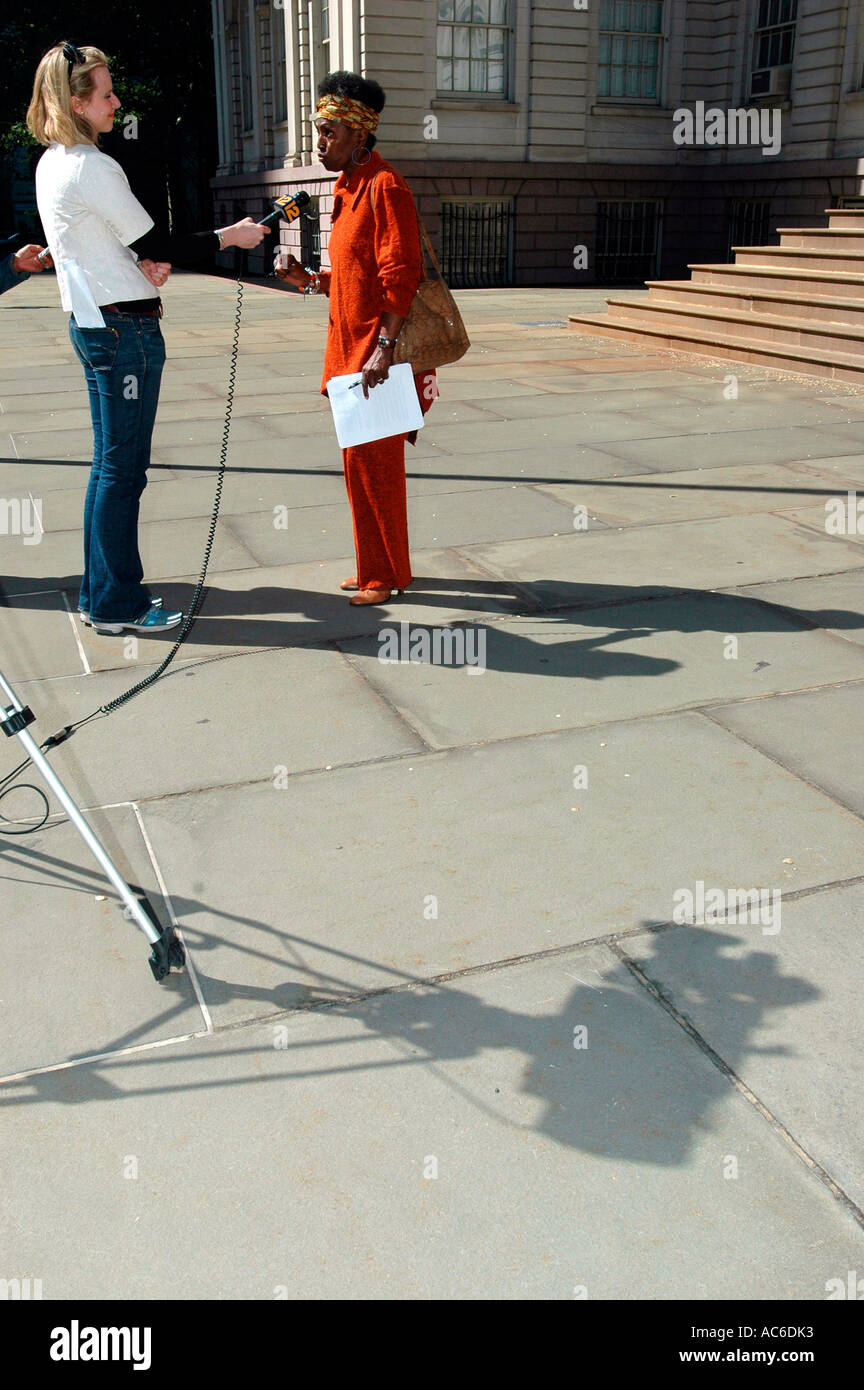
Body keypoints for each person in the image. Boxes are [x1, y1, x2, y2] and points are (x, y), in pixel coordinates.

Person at [26, 42, 270, 635]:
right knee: (122, 472)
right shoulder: (92, 166)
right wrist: (229, 236)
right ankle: (117, 605)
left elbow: (97, 245)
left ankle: (101, 595)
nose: (116, 102)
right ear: (77, 101)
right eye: (105, 93)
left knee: (110, 467)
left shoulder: (54, 163)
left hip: (97, 322)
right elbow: (159, 239)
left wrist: (141, 265)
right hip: (123, 331)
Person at [275, 71, 436, 606]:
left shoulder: (385, 186)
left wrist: (383, 351)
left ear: (360, 135)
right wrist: (310, 280)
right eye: (318, 132)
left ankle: (385, 577)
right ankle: (373, 565)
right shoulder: (346, 187)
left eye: (329, 133)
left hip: (374, 359)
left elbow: (400, 276)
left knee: (377, 474)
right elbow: (355, 278)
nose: (320, 143)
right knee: (357, 469)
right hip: (348, 355)